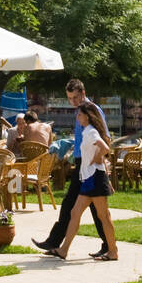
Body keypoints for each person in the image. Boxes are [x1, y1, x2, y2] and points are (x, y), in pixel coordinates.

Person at [33, 79, 111, 258]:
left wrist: (98, 160)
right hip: (82, 163)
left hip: (89, 165)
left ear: (83, 93)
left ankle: (57, 243)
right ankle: (105, 245)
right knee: (82, 206)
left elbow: (104, 136)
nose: (73, 102)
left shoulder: (92, 110)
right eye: (70, 98)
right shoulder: (81, 111)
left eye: (76, 97)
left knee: (80, 205)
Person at [50, 103, 117, 260]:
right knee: (75, 212)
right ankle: (64, 250)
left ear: (87, 116)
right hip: (89, 179)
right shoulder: (87, 131)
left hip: (94, 179)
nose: (77, 117)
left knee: (103, 216)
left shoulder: (91, 132)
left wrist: (97, 157)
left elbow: (105, 148)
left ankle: (113, 251)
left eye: (79, 115)